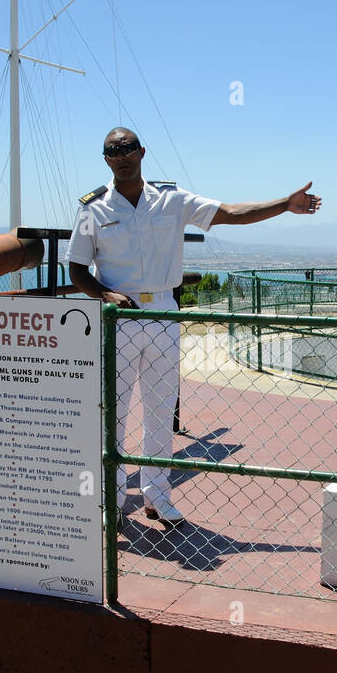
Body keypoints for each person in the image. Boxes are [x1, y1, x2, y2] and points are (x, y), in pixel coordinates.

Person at [69, 127, 321, 523]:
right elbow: (78, 270)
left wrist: (284, 204)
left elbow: (232, 213)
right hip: (118, 319)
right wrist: (104, 295)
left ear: (142, 152)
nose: (121, 156)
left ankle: (157, 494)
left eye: (128, 148)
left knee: (160, 408)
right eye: (113, 151)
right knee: (112, 413)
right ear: (105, 159)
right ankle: (111, 498)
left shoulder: (172, 200)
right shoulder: (93, 208)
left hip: (164, 313)